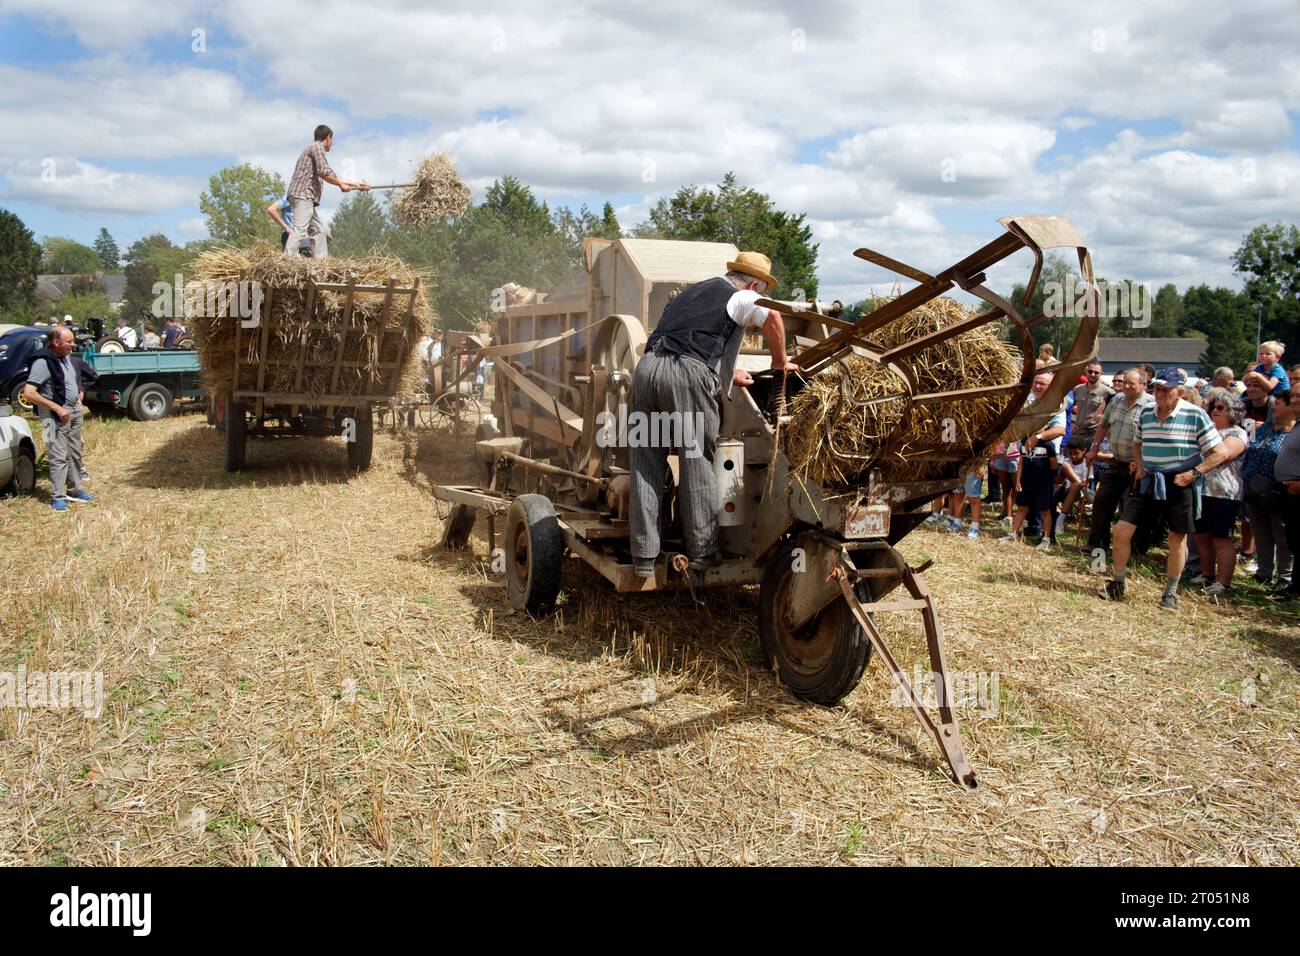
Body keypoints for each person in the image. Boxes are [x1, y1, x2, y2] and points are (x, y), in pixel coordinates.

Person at [629, 251, 794, 576]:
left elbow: (692, 338)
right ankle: (703, 555)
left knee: (645, 463)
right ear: (754, 283)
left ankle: (644, 560)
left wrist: (726, 371)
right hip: (685, 376)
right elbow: (772, 317)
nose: (760, 295)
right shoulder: (743, 296)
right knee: (697, 460)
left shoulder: (693, 292)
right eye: (761, 291)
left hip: (647, 372)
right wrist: (780, 361)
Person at [1098, 368, 1231, 611]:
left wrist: (1193, 474)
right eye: (1157, 388)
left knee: (1176, 539)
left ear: (1180, 392)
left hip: (1180, 483)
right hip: (1150, 479)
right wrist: (1139, 464)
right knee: (1121, 531)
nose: (1159, 394)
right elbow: (1137, 441)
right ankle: (1117, 583)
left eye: (1165, 390)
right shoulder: (1147, 411)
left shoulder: (1195, 415)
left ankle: (1170, 593)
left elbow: (1220, 452)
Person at [21, 325, 95, 511]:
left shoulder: (66, 358)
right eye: (69, 342)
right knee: (57, 456)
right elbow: (29, 393)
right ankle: (58, 497)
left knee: (75, 453)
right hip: (53, 417)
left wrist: (79, 391)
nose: (73, 345)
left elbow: (72, 381)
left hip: (73, 412)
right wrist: (56, 408)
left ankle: (76, 490)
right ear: (56, 342)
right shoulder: (43, 362)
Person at [1086, 368, 1153, 552]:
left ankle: (1134, 548)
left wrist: (1141, 460)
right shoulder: (1116, 400)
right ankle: (1097, 544)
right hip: (1116, 462)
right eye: (1125, 383)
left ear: (1143, 384)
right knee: (1102, 501)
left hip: (1138, 466)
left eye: (1132, 383)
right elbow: (1104, 425)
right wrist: (1094, 448)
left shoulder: (1151, 406)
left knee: (1133, 509)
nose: (1127, 387)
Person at [1191, 390, 1250, 597]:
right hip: (1202, 490)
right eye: (1212, 407)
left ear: (1232, 412)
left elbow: (1223, 455)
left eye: (1220, 408)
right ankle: (1207, 575)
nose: (1214, 411)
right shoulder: (1208, 431)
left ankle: (1223, 582)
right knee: (1201, 536)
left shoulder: (1237, 433)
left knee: (1221, 539)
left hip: (1224, 493)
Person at [285, 125, 369, 258]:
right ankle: (288, 257)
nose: (332, 144)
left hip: (305, 197)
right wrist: (341, 185)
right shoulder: (317, 147)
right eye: (332, 140)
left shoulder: (314, 149)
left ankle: (321, 263)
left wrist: (357, 185)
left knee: (319, 230)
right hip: (303, 194)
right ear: (328, 138)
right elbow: (324, 173)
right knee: (300, 229)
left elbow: (331, 174)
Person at [1268, 391, 1300, 601]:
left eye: (1298, 397)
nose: (1294, 401)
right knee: (1296, 541)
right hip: (1289, 493)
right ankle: (1296, 587)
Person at [1071, 361, 1113, 450]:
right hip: (1078, 433)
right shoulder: (1077, 389)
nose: (1092, 374)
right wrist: (1072, 422)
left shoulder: (1109, 393)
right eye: (1090, 371)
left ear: (1101, 373)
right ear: (1086, 371)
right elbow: (1072, 409)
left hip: (1095, 434)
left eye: (1096, 372)